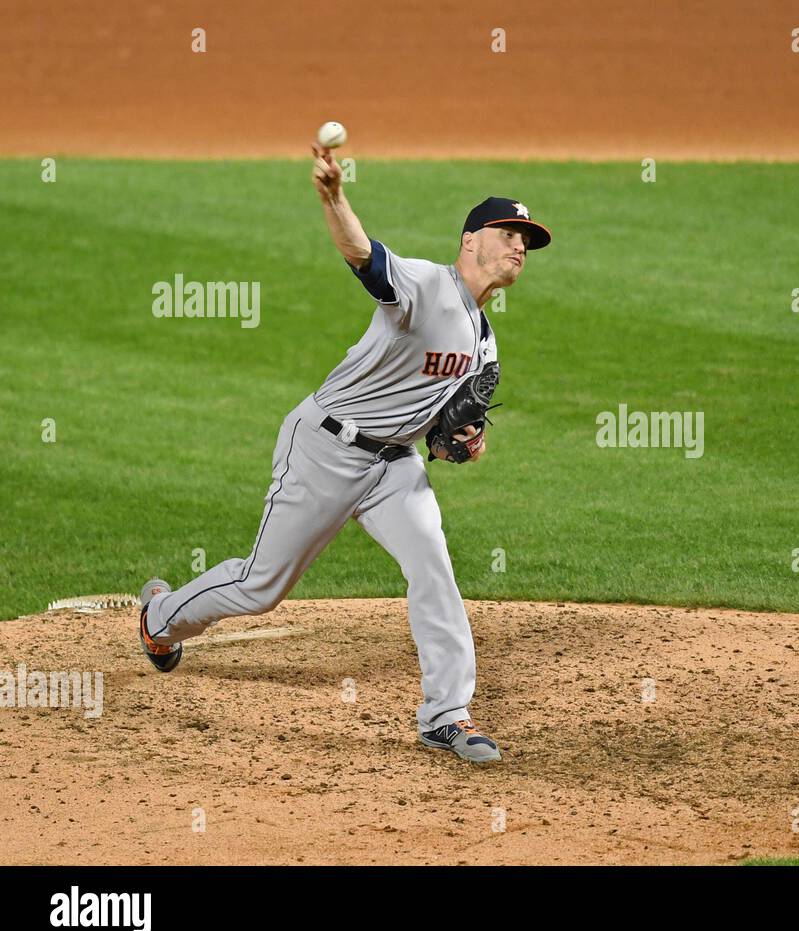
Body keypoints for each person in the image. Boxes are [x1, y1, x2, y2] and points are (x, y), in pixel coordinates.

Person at [136, 142, 552, 763]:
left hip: (392, 468)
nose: (520, 245)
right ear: (470, 241)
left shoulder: (483, 338)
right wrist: (334, 197)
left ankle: (446, 716)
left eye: (527, 239)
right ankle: (161, 617)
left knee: (433, 567)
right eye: (508, 232)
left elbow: (447, 430)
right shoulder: (425, 285)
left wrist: (464, 442)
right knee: (262, 586)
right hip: (325, 448)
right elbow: (363, 255)